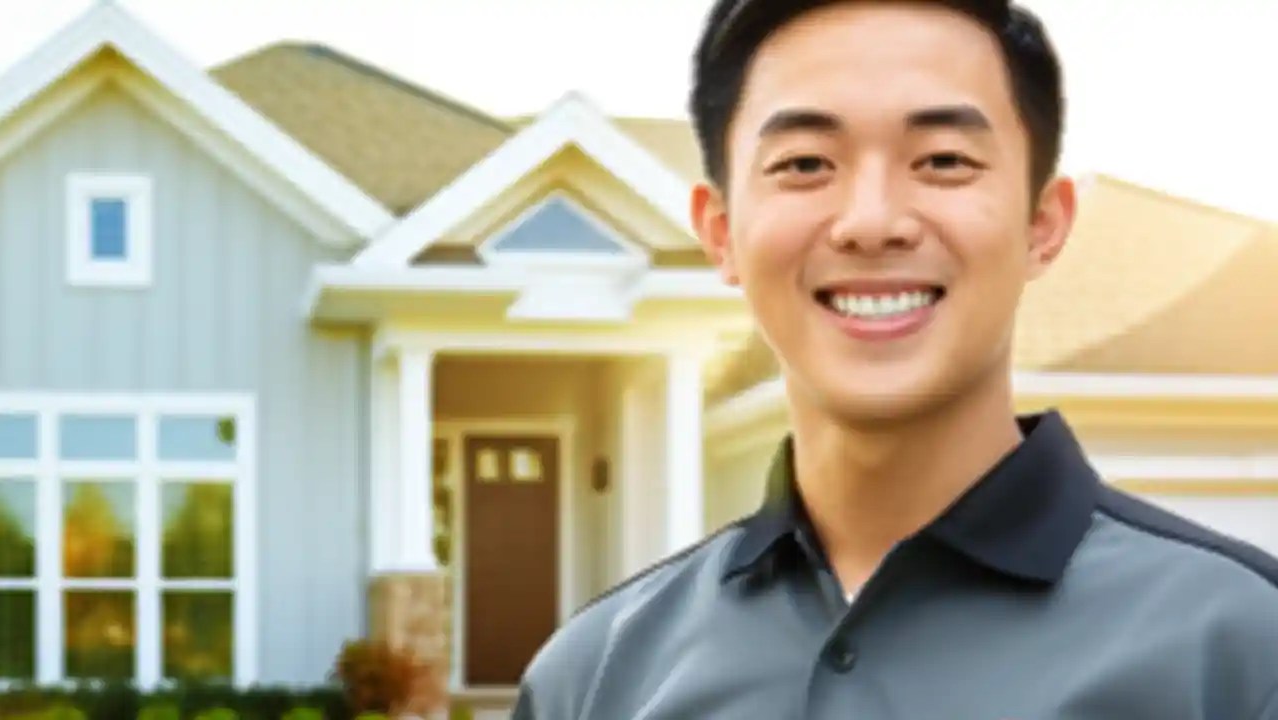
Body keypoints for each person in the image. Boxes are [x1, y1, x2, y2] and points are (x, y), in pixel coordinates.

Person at [512, 1, 1278, 717]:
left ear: (1043, 224)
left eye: (943, 160)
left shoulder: (1239, 645)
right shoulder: (593, 679)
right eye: (805, 164)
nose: (872, 222)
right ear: (720, 234)